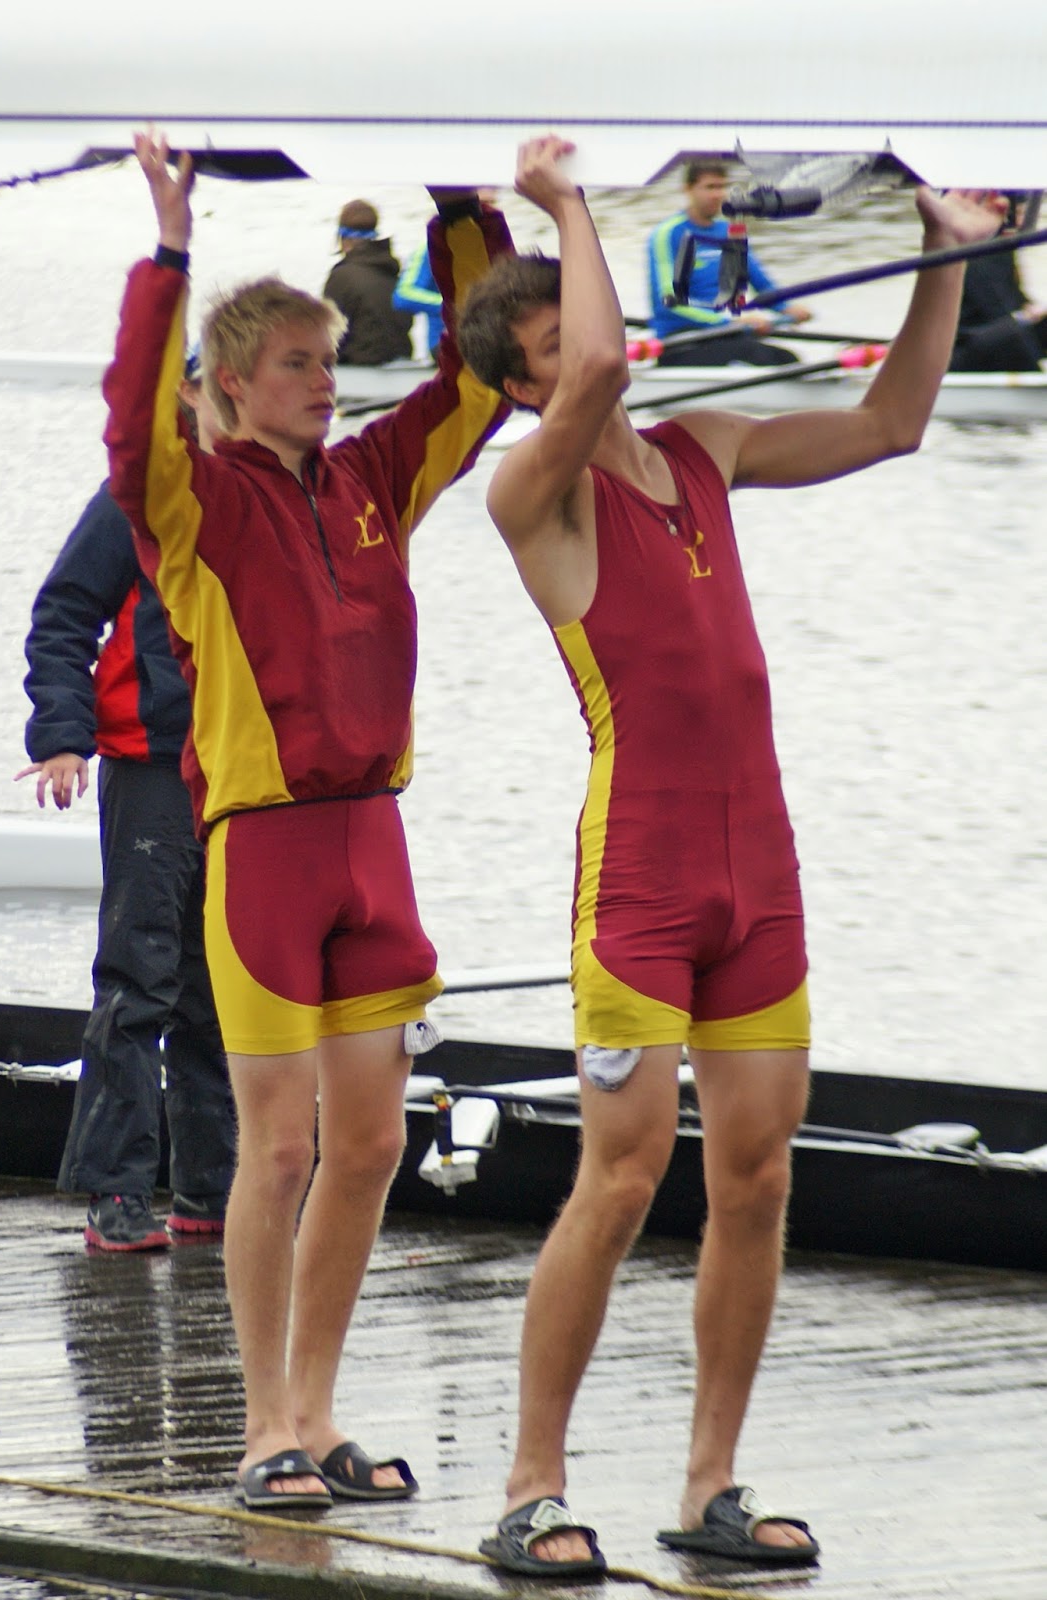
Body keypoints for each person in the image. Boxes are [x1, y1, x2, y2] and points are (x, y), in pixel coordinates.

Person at [457, 134, 1002, 1575]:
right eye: (560, 339)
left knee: (756, 1178)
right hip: (635, 884)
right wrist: (566, 202)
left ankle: (710, 1484)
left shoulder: (705, 452)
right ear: (524, 380)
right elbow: (590, 382)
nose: (597, 344)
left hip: (756, 883)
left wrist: (947, 252)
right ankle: (528, 1485)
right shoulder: (533, 497)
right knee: (622, 1177)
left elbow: (890, 424)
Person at [102, 129, 510, 1508]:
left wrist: (463, 201)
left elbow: (478, 380)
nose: (327, 386)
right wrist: (169, 249)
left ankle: (323, 1408)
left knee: (377, 1144)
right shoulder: (193, 503)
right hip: (265, 855)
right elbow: (130, 420)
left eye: (332, 364)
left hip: (374, 844)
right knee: (277, 1149)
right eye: (298, 364)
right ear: (230, 383)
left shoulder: (374, 483)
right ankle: (264, 1421)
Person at [17, 350, 236, 1253]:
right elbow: (64, 612)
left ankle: (212, 1194)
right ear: (187, 392)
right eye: (212, 382)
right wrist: (61, 735)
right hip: (149, 765)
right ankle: (113, 1193)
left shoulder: (274, 491)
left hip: (245, 778)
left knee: (221, 992)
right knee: (139, 981)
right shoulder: (134, 492)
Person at [647, 160, 812, 365]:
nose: (717, 195)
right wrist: (730, 322)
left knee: (787, 358)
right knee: (758, 355)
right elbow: (669, 303)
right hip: (680, 340)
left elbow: (763, 286)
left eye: (721, 186)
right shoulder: (668, 234)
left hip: (721, 334)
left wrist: (786, 308)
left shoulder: (729, 232)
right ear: (688, 190)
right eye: (709, 187)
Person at [950, 192, 1046, 372]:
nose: (1020, 222)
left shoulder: (1004, 251)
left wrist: (1033, 310)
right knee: (1011, 334)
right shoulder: (977, 254)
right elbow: (998, 311)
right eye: (1016, 214)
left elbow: (1015, 300)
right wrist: (1025, 315)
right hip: (963, 345)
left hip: (991, 334)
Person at [322, 198, 414, 365]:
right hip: (401, 361)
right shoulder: (394, 272)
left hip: (360, 366)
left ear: (343, 239)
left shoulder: (341, 276)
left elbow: (328, 336)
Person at [392, 241, 444, 360]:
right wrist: (453, 305)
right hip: (444, 346)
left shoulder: (491, 240)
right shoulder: (430, 248)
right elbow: (403, 295)